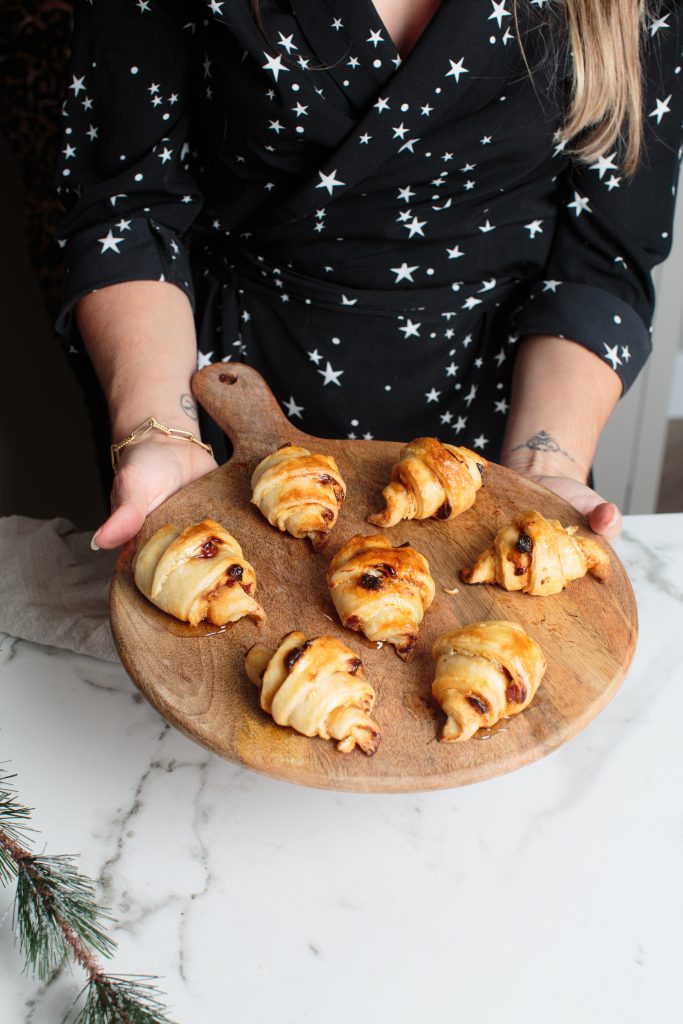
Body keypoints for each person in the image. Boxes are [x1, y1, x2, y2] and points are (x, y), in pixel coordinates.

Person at [54, 0, 683, 551]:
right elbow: (128, 208)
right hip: (221, 405)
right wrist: (162, 434)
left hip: (504, 419)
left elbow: (603, 256)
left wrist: (543, 468)